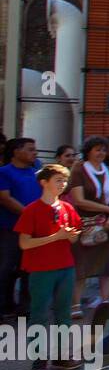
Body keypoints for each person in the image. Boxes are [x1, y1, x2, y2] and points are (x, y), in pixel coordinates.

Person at [15, 164, 83, 370]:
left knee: (64, 313)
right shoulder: (32, 210)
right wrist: (57, 237)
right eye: (58, 180)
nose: (62, 185)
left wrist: (72, 236)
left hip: (65, 267)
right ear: (44, 182)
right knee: (40, 314)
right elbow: (24, 243)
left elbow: (74, 235)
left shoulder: (67, 208)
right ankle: (38, 360)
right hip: (41, 269)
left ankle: (62, 356)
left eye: (64, 181)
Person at [65, 136, 109, 317]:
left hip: (108, 223)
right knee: (81, 265)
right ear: (88, 151)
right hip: (85, 222)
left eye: (104, 150)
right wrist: (108, 209)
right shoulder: (79, 169)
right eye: (97, 149)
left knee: (108, 264)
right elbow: (79, 200)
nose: (101, 153)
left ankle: (105, 303)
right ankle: (75, 305)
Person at [0, 137, 41, 321]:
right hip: (10, 229)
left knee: (29, 270)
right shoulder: (4, 172)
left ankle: (25, 308)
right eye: (30, 149)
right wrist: (28, 214)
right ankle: (3, 307)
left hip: (33, 231)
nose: (35, 153)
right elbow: (5, 198)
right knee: (6, 268)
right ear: (16, 151)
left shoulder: (36, 172)